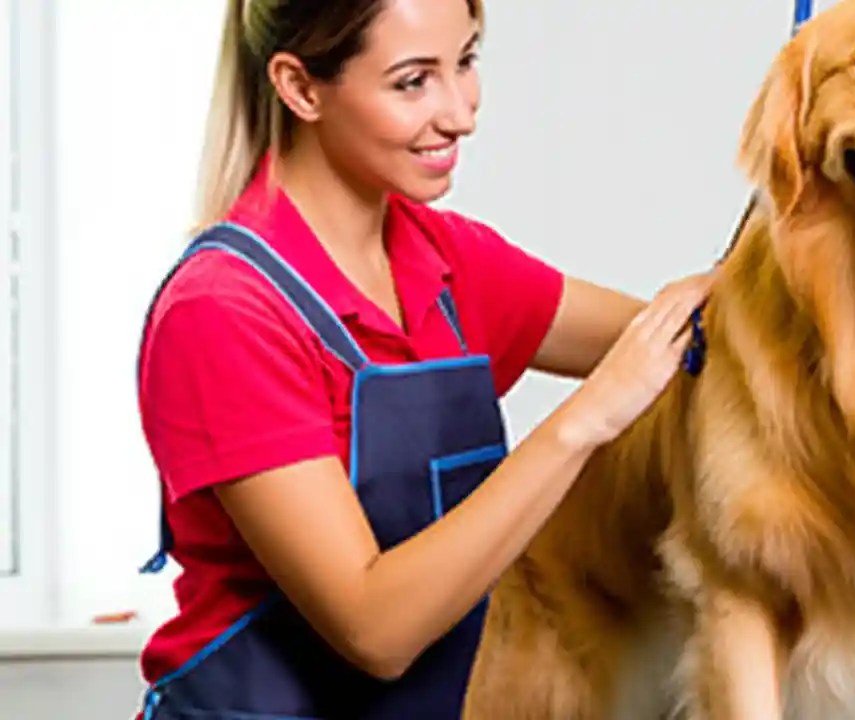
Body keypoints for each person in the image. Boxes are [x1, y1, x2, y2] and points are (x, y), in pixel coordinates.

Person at [132, 0, 714, 717]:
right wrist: (584, 421)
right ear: (301, 87)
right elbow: (376, 629)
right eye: (412, 82)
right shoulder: (223, 314)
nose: (460, 114)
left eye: (465, 63)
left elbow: (693, 345)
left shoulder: (446, 261)